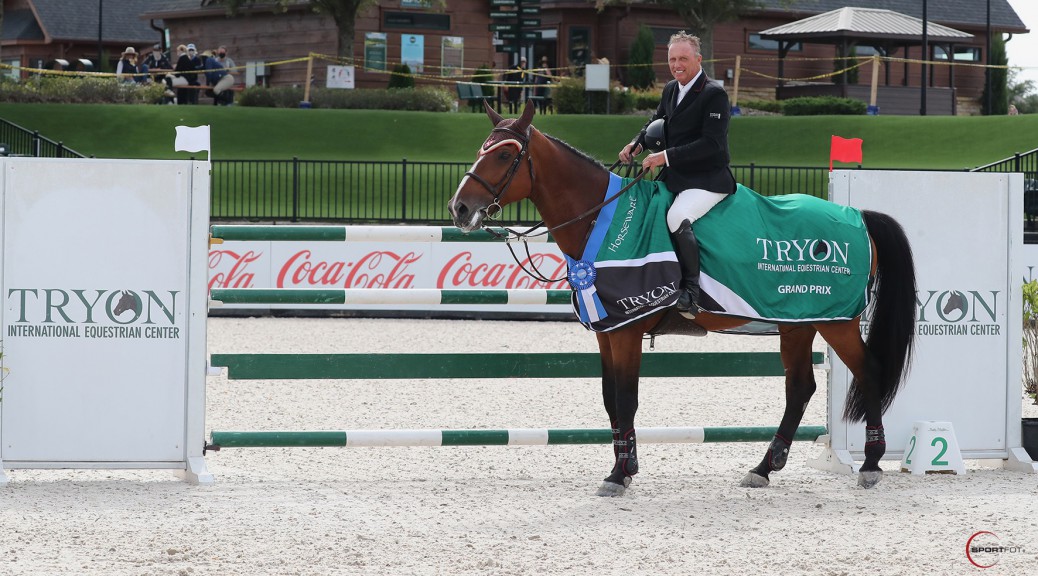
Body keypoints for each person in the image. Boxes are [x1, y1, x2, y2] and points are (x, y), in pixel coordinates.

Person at [617, 31, 736, 318]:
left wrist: (665, 156)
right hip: (677, 177)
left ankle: (691, 293)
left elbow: (712, 144)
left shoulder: (714, 94)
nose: (677, 64)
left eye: (683, 58)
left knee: (676, 217)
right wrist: (638, 143)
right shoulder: (671, 88)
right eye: (672, 59)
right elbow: (656, 122)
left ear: (698, 59)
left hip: (707, 180)